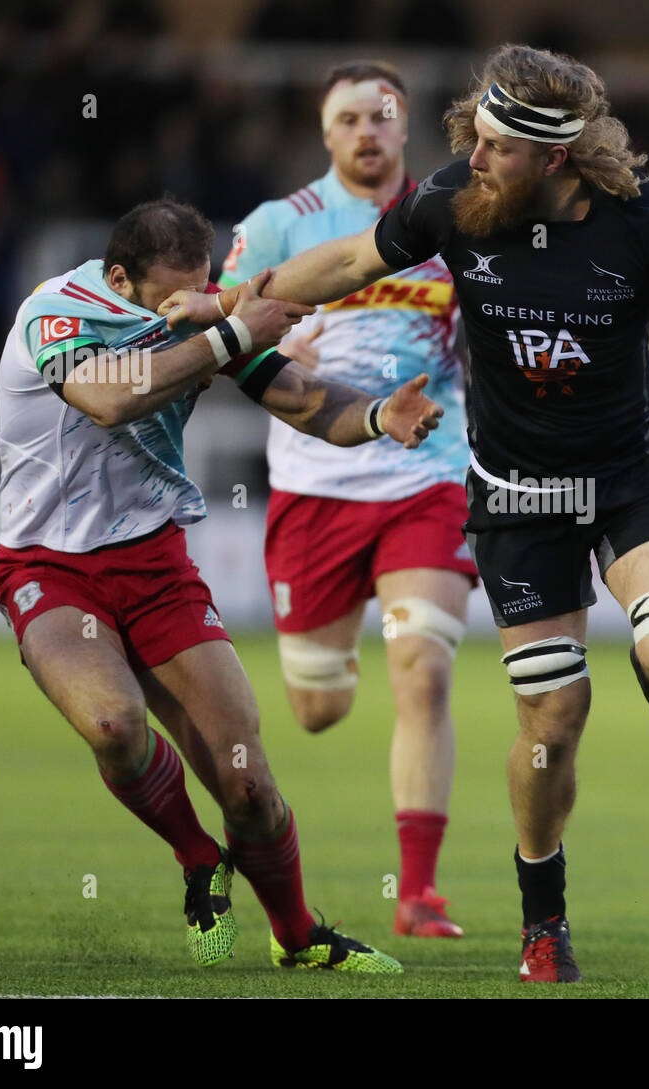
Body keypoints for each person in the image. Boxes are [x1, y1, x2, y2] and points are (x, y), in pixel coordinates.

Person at [163, 45, 649, 983]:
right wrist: (231, 301)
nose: (475, 159)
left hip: (633, 477)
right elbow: (348, 260)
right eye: (475, 137)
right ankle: (543, 919)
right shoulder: (452, 202)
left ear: (555, 158)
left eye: (498, 148)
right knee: (553, 723)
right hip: (516, 494)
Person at [0, 198, 442, 972]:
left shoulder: (200, 315)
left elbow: (296, 394)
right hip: (49, 565)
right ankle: (199, 857)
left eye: (196, 290)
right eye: (170, 294)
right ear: (120, 276)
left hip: (156, 564)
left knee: (250, 784)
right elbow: (107, 397)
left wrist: (375, 416)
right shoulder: (57, 311)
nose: (185, 308)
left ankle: (299, 939)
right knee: (112, 725)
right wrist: (230, 331)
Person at [221, 61, 473, 939]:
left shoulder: (455, 222)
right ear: (326, 135)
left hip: (427, 475)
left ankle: (417, 890)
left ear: (406, 129)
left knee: (425, 668)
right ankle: (348, 638)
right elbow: (223, 333)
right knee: (318, 707)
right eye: (347, 120)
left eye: (381, 116)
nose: (366, 132)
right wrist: (285, 358)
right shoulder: (276, 227)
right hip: (315, 486)